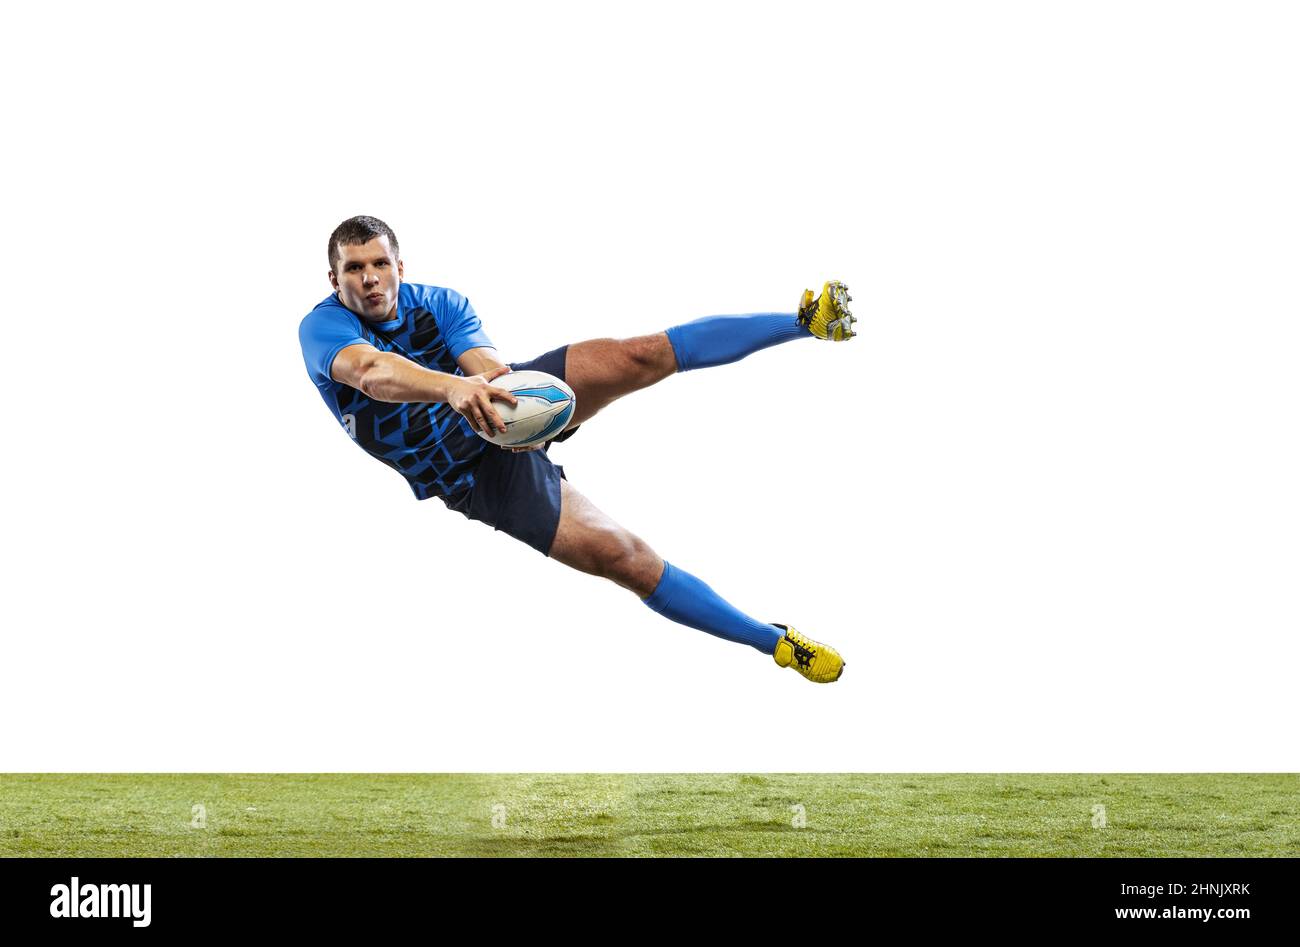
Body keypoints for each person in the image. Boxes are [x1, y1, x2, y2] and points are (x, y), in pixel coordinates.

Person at [298, 216, 856, 683]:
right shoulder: (322, 327)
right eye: (354, 268)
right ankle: (776, 642)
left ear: (401, 266)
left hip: (498, 416)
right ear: (334, 277)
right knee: (627, 560)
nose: (370, 278)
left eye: (380, 264)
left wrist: (522, 414)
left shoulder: (440, 304)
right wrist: (451, 388)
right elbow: (370, 373)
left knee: (638, 355)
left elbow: (488, 371)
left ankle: (807, 321)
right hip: (473, 478)